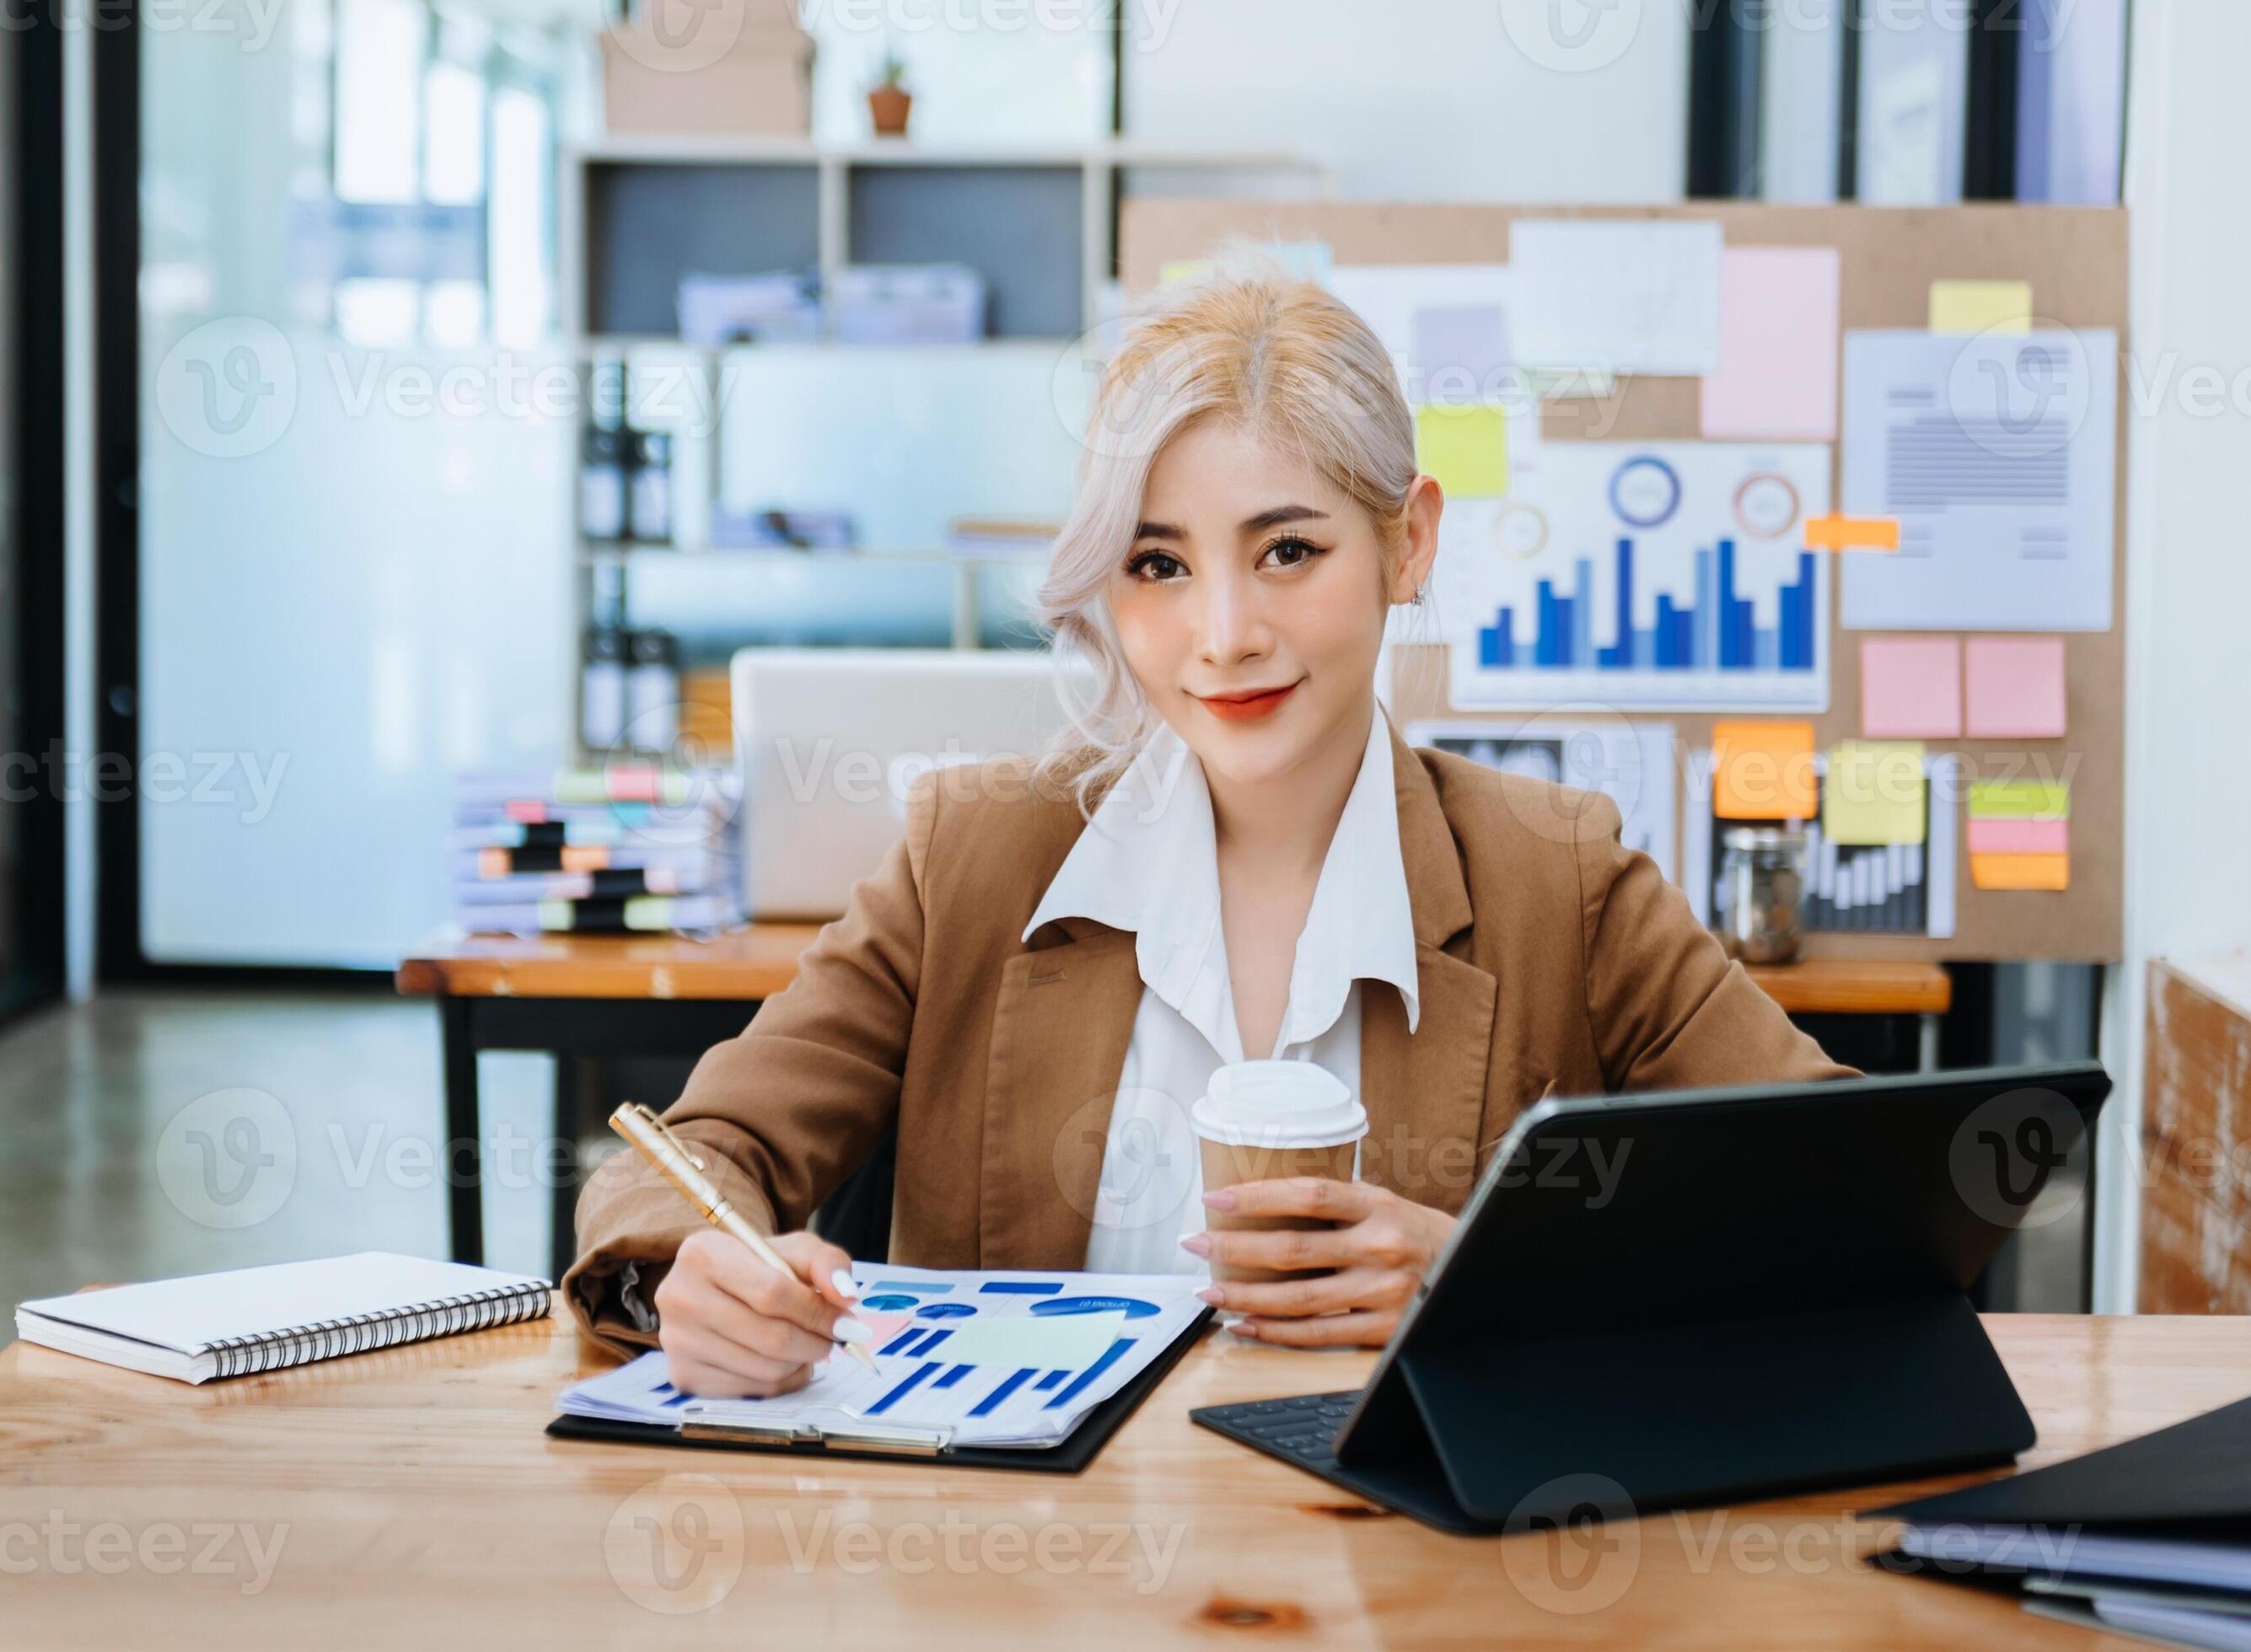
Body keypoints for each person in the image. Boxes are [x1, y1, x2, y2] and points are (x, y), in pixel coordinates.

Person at [565, 269, 1853, 1396]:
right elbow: (693, 1153)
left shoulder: (1555, 875)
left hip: (1401, 1589)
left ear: (1410, 542)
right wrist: (695, 1269)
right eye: (1159, 565)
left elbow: (1846, 1198)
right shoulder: (977, 855)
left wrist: (1493, 1281)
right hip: (1033, 1583)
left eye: (1288, 550)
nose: (1223, 633)